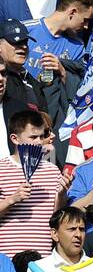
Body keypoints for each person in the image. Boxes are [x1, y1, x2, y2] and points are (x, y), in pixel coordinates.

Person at [0, 110, 64, 258]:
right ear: (15, 139)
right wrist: (12, 199)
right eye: (33, 137)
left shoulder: (52, 171)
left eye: (42, 136)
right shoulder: (2, 168)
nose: (39, 141)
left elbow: (56, 218)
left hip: (41, 258)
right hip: (6, 259)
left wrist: (62, 195)